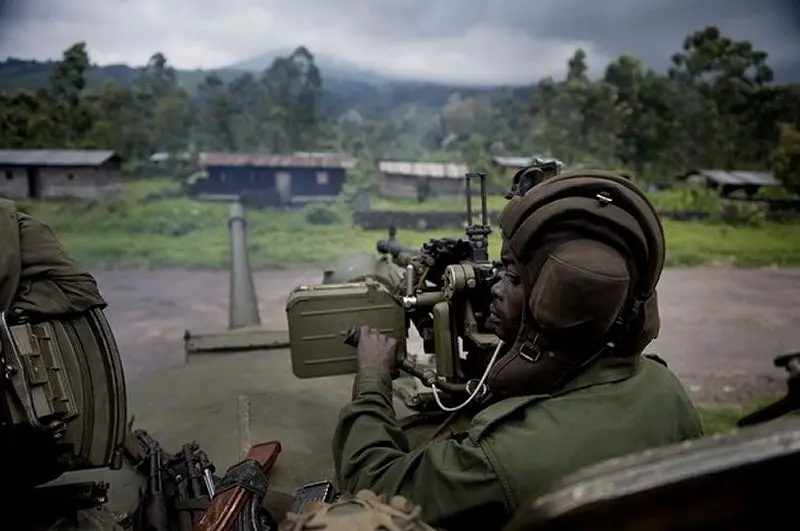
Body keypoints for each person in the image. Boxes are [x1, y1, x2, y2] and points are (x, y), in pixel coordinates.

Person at [331, 169, 703, 531]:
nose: (495, 287)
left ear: (553, 306)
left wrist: (373, 377)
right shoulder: (665, 389)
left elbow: (374, 485)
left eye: (511, 276)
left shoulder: (499, 461)